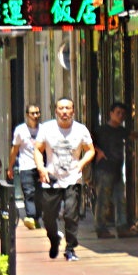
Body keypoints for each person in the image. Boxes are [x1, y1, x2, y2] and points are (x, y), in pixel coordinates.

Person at [34, 98, 94, 261]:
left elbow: (90, 150)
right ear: (56, 111)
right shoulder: (46, 128)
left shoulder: (81, 130)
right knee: (48, 217)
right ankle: (54, 239)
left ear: (73, 111)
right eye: (61, 108)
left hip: (73, 179)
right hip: (51, 179)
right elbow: (38, 150)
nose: (64, 112)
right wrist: (41, 168)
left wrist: (82, 163)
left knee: (70, 214)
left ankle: (70, 249)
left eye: (68, 108)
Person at [94, 102, 131, 238]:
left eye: (122, 114)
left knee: (120, 198)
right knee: (103, 199)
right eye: (118, 113)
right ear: (111, 113)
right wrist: (98, 152)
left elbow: (133, 135)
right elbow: (88, 143)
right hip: (104, 169)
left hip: (117, 170)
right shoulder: (101, 130)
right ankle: (101, 228)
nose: (120, 116)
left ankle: (122, 227)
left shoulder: (122, 131)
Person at [9, 103, 43, 229]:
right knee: (29, 193)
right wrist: (10, 166)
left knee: (39, 194)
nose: (35, 116)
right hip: (26, 167)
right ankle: (31, 217)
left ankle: (36, 217)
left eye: (37, 113)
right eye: (32, 113)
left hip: (40, 167)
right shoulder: (20, 130)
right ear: (27, 115)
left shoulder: (43, 129)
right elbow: (15, 150)